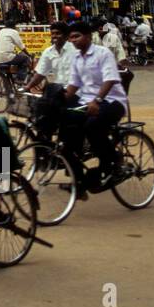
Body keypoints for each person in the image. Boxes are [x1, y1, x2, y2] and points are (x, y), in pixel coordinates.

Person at [63, 21, 129, 191]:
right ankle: (78, 180)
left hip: (112, 101)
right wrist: (59, 100)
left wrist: (97, 100)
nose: (73, 40)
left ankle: (114, 162)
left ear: (88, 36)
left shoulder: (103, 53)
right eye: (71, 38)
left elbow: (110, 79)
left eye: (76, 36)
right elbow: (73, 85)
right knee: (66, 127)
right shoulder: (76, 58)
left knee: (92, 126)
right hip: (87, 102)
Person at [25, 22, 78, 140]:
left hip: (75, 92)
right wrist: (27, 87)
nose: (54, 36)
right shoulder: (48, 52)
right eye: (52, 33)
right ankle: (45, 146)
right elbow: (40, 73)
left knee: (59, 118)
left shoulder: (74, 50)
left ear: (65, 36)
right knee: (41, 115)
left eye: (58, 33)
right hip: (57, 92)